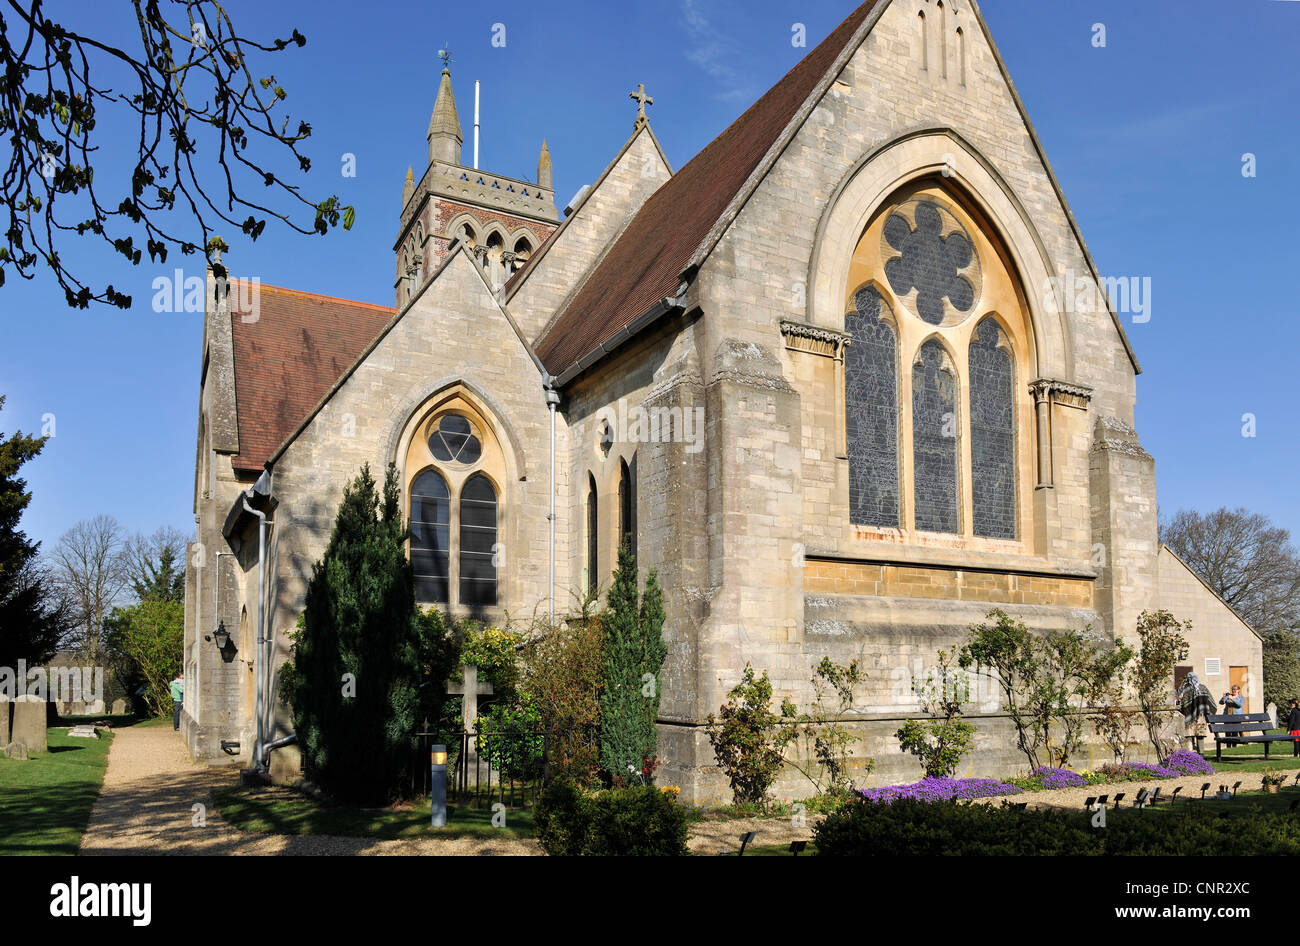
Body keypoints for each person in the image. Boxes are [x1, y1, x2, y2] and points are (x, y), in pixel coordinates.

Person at [1176, 672, 1216, 754]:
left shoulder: (1184, 688)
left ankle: (1190, 753)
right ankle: (1201, 753)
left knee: (1189, 735)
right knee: (1199, 734)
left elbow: (1180, 702)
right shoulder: (1202, 687)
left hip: (1188, 716)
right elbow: (1211, 703)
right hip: (1201, 716)